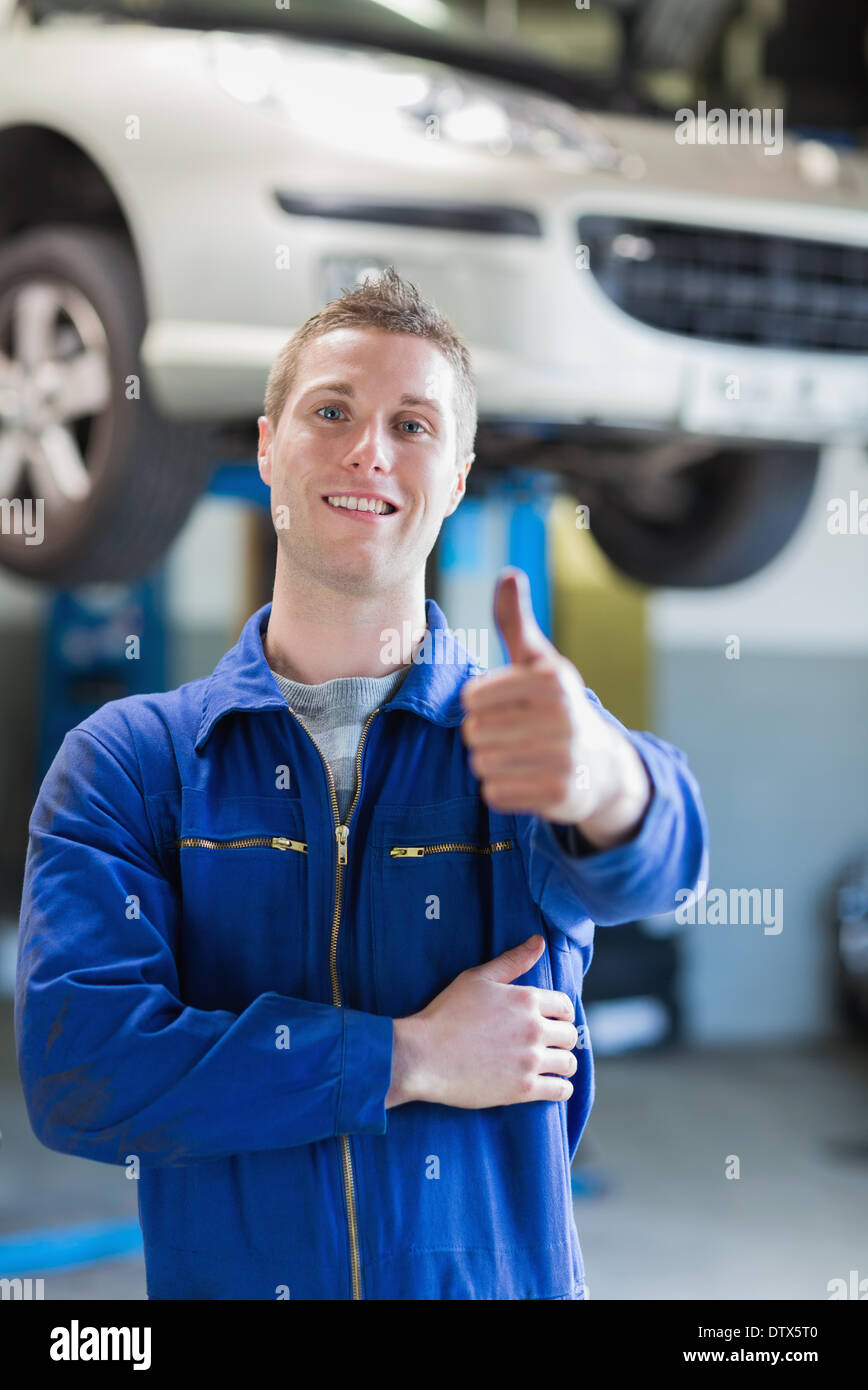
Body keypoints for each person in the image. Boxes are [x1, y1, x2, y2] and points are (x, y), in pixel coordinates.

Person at [15, 268, 709, 1301]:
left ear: (461, 471)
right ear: (265, 445)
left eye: (414, 424)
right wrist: (408, 1056)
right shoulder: (132, 763)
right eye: (330, 410)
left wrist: (610, 782)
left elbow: (662, 866)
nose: (368, 450)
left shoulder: (522, 740)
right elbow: (81, 1070)